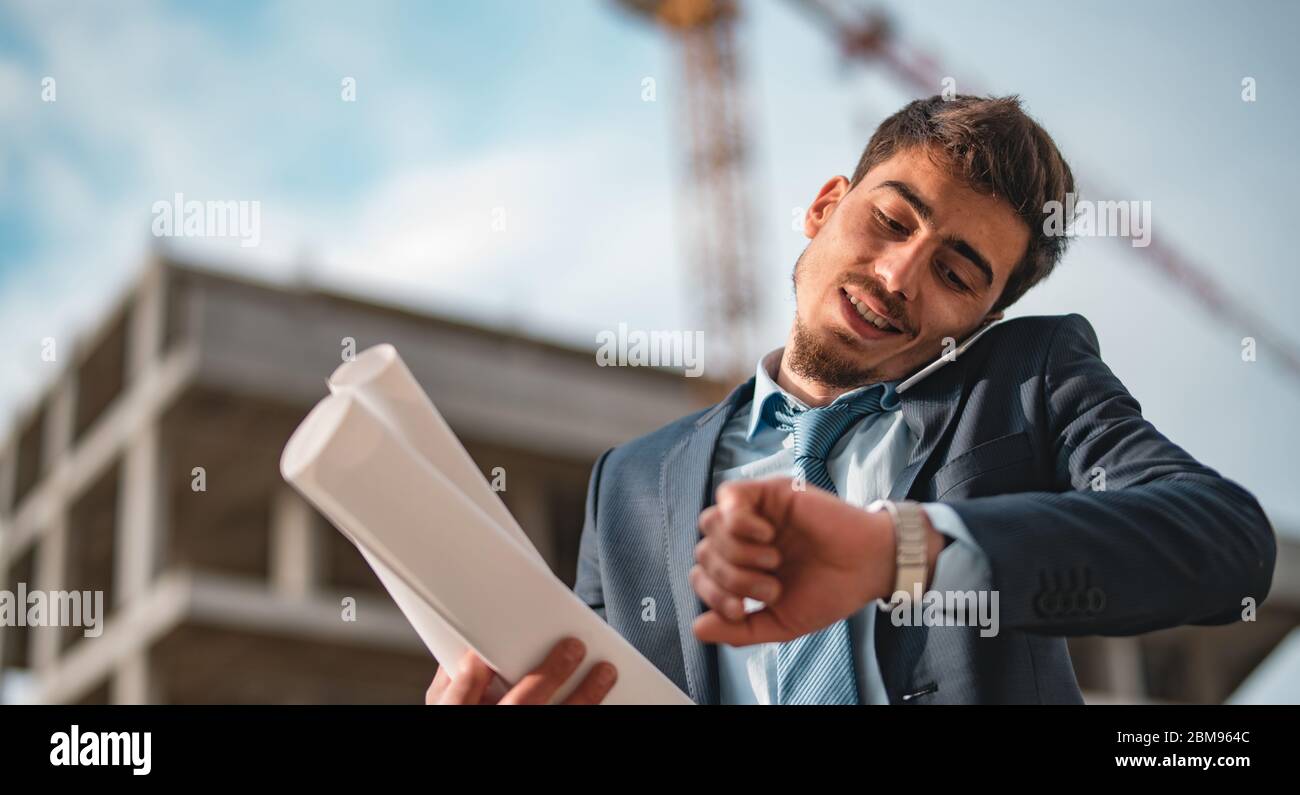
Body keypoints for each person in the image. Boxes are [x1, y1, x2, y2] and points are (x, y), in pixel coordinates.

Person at [426, 94, 1276, 705]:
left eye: (955, 273)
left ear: (982, 320)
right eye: (892, 220)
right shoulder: (631, 482)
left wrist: (898, 555)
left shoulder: (1030, 378)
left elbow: (1226, 541)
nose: (898, 275)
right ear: (827, 204)